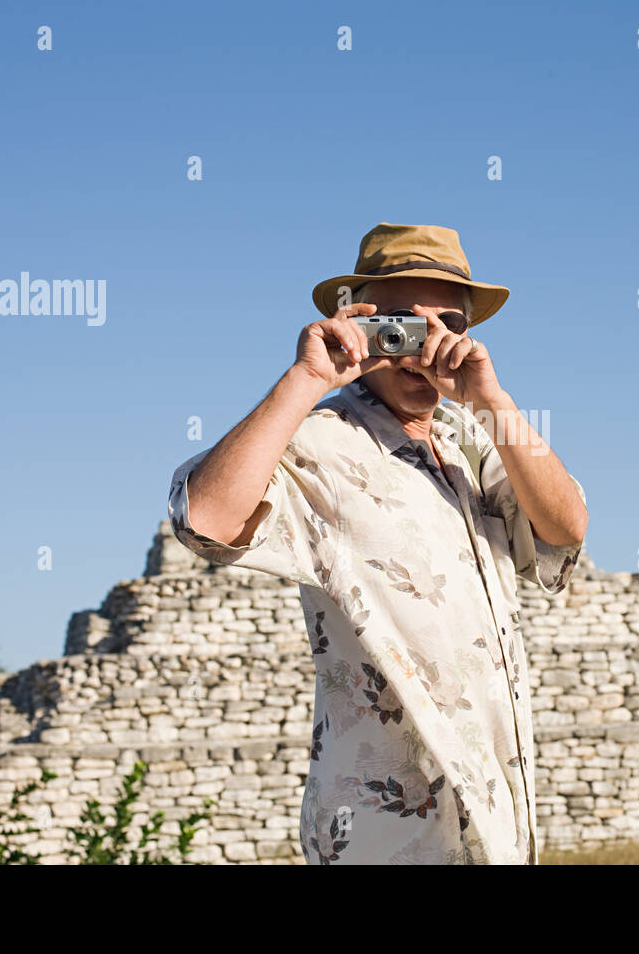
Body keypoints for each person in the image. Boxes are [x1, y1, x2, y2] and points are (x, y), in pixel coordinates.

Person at [167, 222, 588, 864]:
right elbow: (206, 519)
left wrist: (490, 398)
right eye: (401, 323)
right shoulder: (321, 440)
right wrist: (307, 378)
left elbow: (566, 527)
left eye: (448, 322)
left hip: (497, 821)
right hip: (385, 835)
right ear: (357, 322)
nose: (425, 345)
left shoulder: (475, 441)